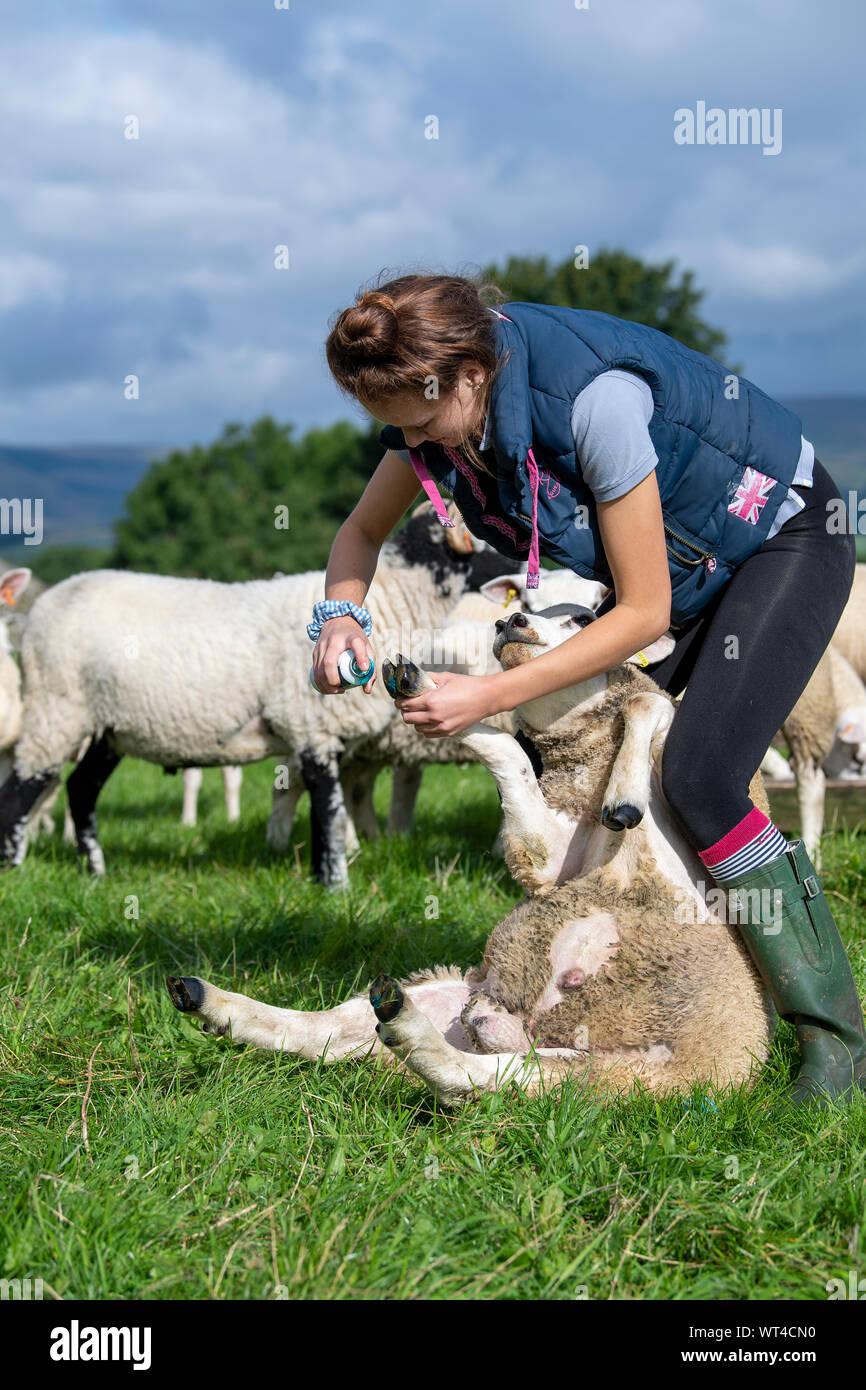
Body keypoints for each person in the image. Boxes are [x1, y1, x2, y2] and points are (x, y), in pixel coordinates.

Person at [308, 271, 862, 1105]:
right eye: (394, 429)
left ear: (469, 373)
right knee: (630, 781)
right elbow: (360, 531)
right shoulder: (434, 415)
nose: (415, 444)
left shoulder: (593, 402)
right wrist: (337, 620)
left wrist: (487, 697)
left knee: (702, 777)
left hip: (780, 535)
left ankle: (837, 1047)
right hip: (687, 566)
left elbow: (642, 614)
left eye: (421, 424)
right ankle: (699, 1004)